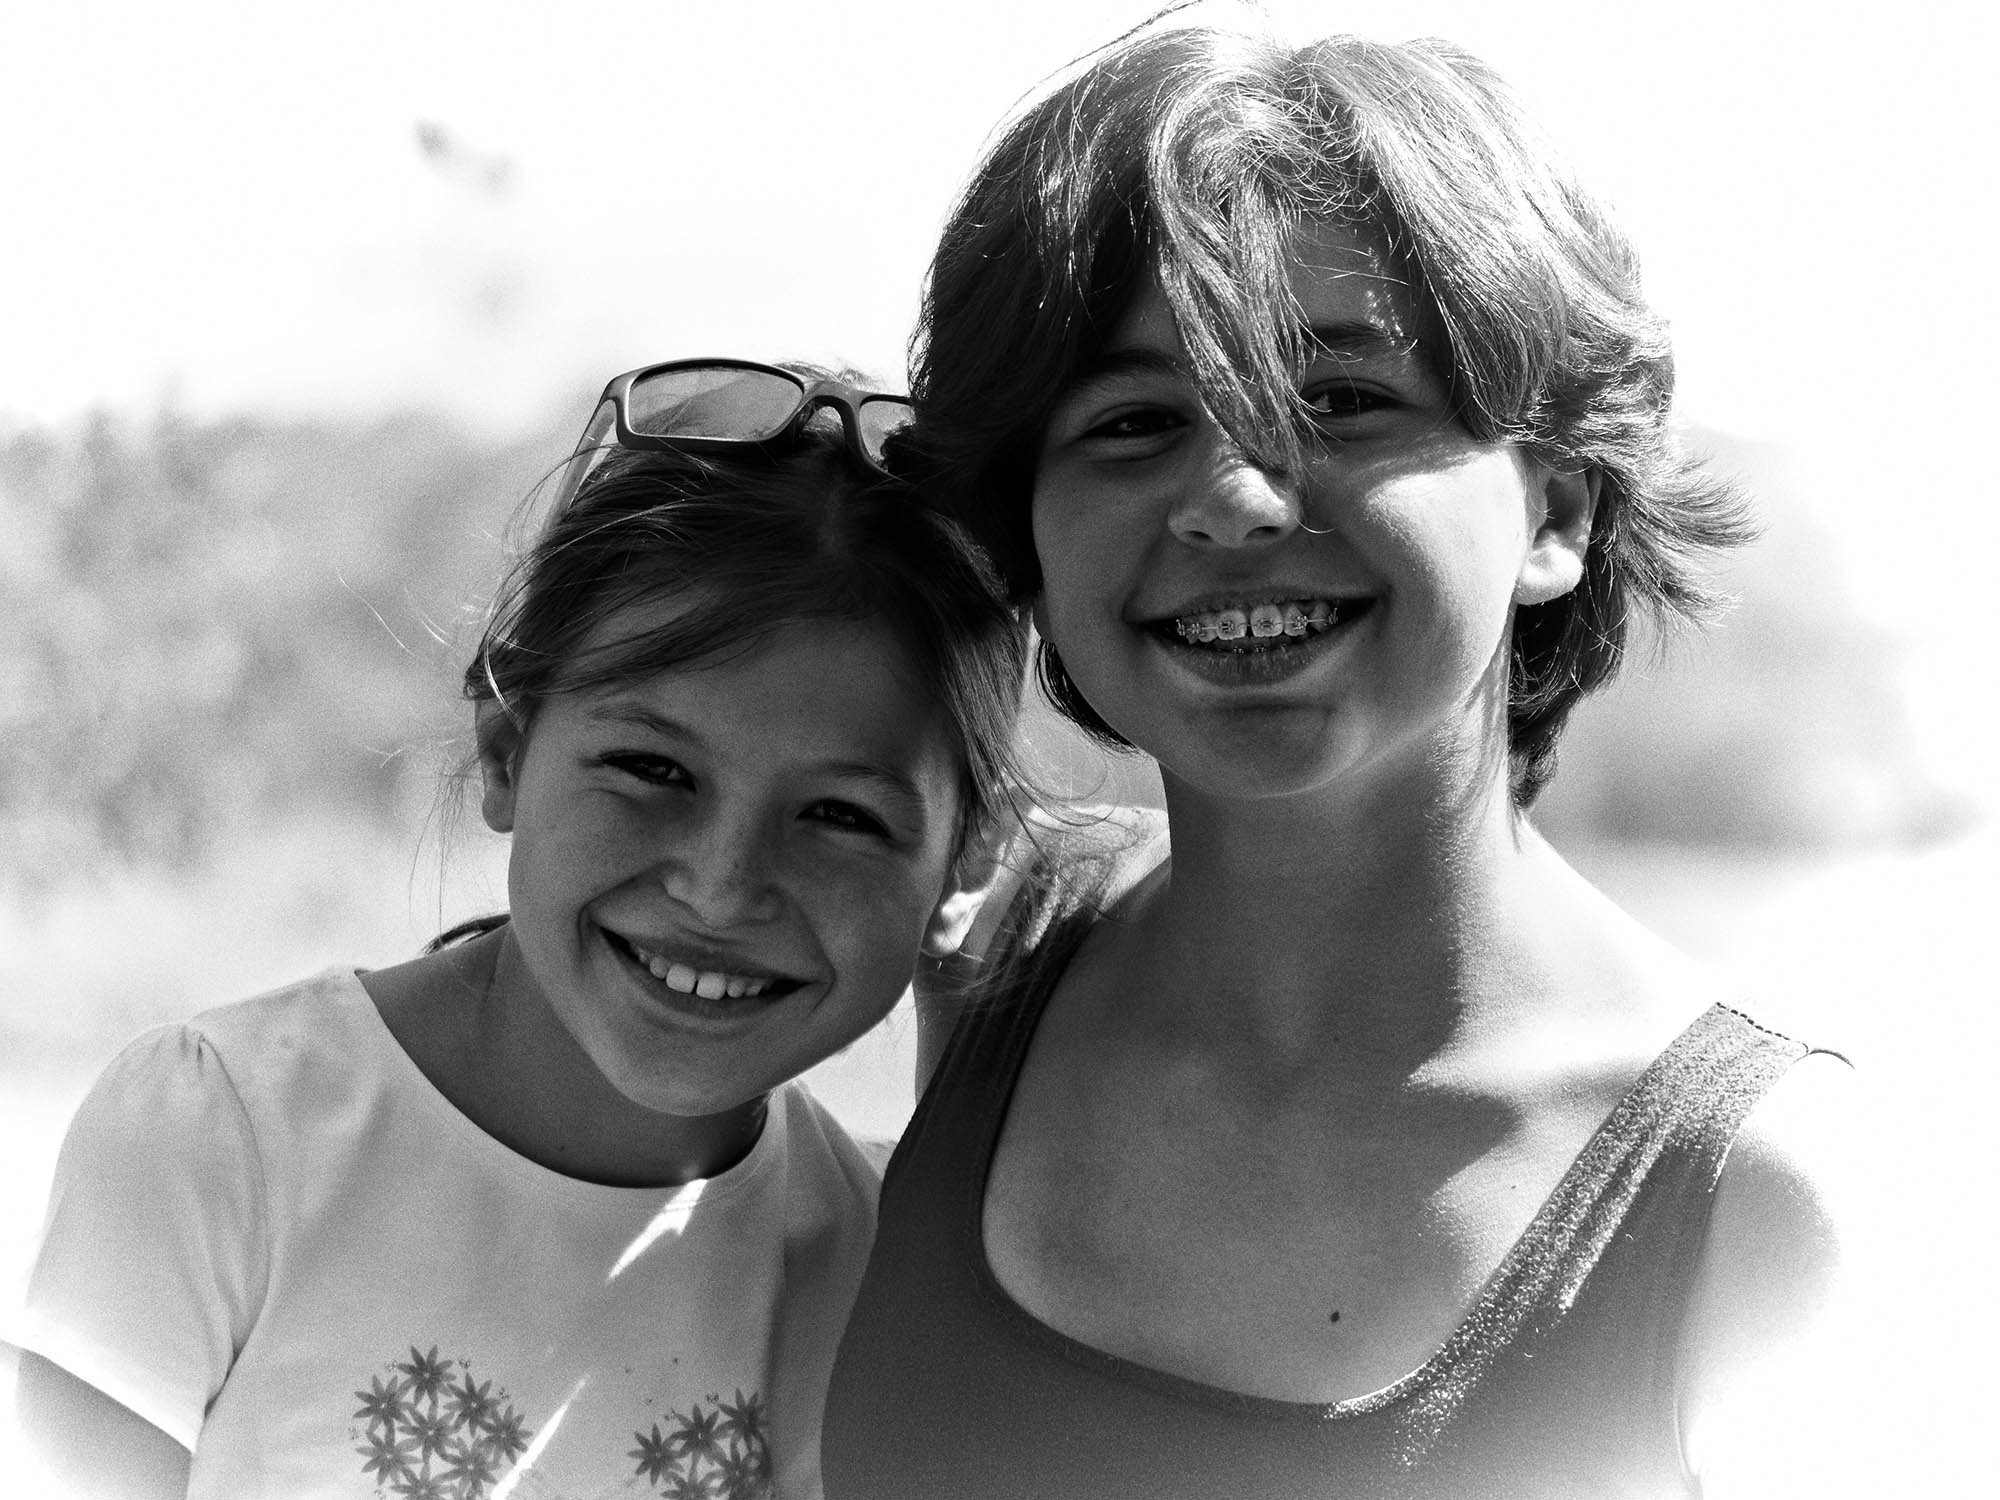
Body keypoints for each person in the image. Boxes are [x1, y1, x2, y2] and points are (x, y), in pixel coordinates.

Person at [824, 25, 1858, 1499]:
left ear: (1554, 511)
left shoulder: (1752, 1196)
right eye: (1131, 422)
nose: (1235, 500)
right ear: (1027, 541)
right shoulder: (991, 951)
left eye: (1343, 402)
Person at [8, 359, 1028, 1500]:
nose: (722, 886)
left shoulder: (879, 1277)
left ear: (961, 863)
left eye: (839, 816)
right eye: (651, 770)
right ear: (506, 752)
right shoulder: (221, 1139)